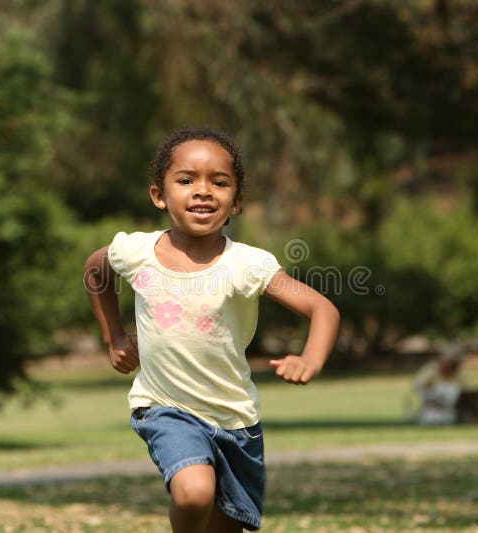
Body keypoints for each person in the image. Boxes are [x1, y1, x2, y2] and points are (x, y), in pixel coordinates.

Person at [84, 127, 339, 533]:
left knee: (223, 527)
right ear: (159, 195)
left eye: (218, 183)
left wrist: (311, 358)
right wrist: (113, 336)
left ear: (236, 202)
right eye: (186, 180)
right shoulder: (135, 252)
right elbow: (96, 269)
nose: (202, 191)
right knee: (193, 493)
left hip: (235, 419)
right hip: (166, 408)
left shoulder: (248, 264)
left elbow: (321, 307)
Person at [410, 343, 464, 425]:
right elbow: (416, 386)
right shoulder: (431, 369)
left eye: (455, 364)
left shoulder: (459, 374)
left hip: (450, 409)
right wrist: (429, 389)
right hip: (432, 407)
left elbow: (463, 391)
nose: (453, 367)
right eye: (451, 363)